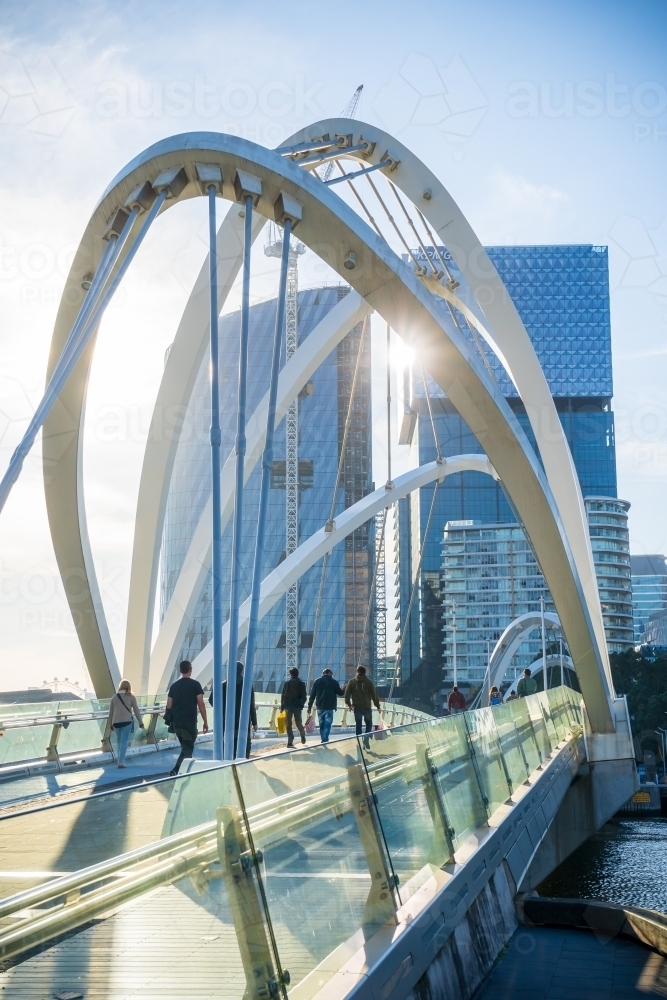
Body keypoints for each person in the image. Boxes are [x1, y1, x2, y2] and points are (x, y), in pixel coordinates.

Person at [166, 660, 209, 775]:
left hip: (177, 722)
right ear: (190, 670)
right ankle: (177, 770)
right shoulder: (195, 685)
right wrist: (205, 721)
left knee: (186, 747)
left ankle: (184, 772)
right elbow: (201, 704)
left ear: (180, 671)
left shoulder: (174, 686)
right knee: (188, 747)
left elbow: (169, 705)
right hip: (190, 721)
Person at [209, 661, 257, 758]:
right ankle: (243, 760)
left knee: (227, 740)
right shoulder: (247, 685)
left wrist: (222, 710)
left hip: (226, 719)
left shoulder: (222, 685)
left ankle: (228, 760)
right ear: (242, 671)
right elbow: (251, 705)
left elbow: (211, 700)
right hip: (243, 719)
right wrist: (254, 722)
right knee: (243, 740)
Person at [107, 679, 145, 768]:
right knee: (124, 741)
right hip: (127, 722)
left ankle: (119, 758)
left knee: (119, 740)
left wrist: (110, 724)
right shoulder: (131, 697)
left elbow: (110, 713)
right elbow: (136, 711)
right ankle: (121, 761)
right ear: (129, 687)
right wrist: (141, 722)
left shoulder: (114, 697)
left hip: (116, 723)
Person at [307, 668, 345, 744]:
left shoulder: (317, 681)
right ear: (329, 673)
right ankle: (325, 739)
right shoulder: (333, 682)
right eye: (331, 674)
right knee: (327, 724)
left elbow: (312, 696)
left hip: (320, 707)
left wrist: (309, 707)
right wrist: (344, 689)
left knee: (322, 723)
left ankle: (323, 738)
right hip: (329, 707)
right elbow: (340, 693)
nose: (332, 676)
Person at [344, 665, 381, 741]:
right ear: (365, 673)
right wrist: (378, 706)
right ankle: (366, 740)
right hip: (367, 707)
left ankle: (359, 742)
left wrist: (349, 705)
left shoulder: (351, 682)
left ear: (357, 672)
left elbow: (347, 696)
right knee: (369, 724)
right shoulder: (369, 682)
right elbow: (374, 696)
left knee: (358, 725)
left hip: (356, 707)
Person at [280, 667, 307, 748]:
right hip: (297, 707)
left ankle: (290, 740)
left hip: (288, 706)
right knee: (298, 722)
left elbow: (283, 696)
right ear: (297, 674)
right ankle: (302, 734)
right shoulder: (301, 683)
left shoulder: (287, 683)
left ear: (290, 674)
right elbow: (304, 697)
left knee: (288, 723)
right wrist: (301, 705)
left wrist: (282, 707)